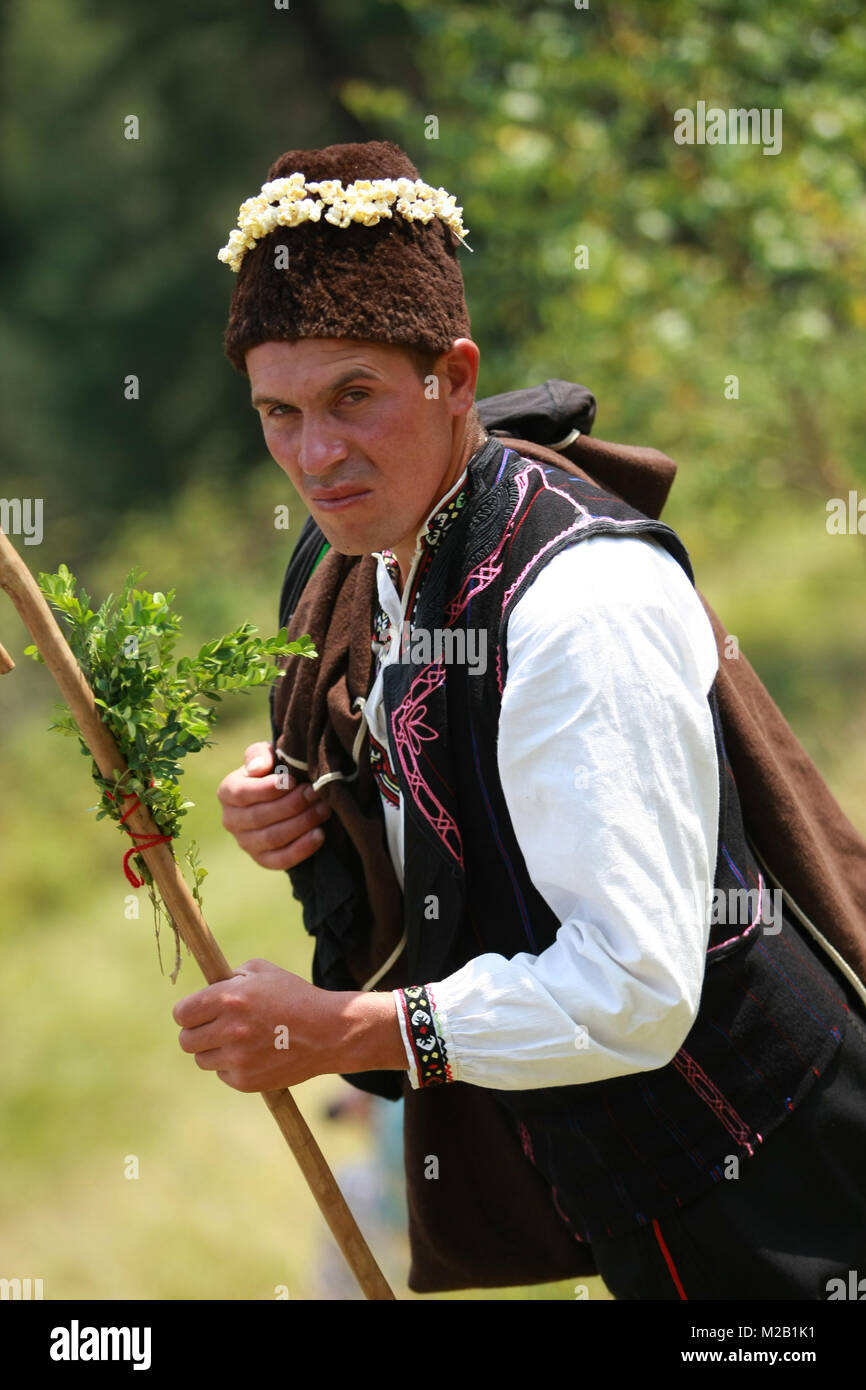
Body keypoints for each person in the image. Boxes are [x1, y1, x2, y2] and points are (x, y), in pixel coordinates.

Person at [172, 139, 866, 1299]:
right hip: (628, 1187)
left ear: (452, 372)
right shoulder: (383, 556)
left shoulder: (575, 602)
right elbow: (441, 763)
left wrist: (344, 1031)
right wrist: (316, 800)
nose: (315, 454)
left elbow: (632, 992)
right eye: (277, 412)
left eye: (354, 396)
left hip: (779, 1184)